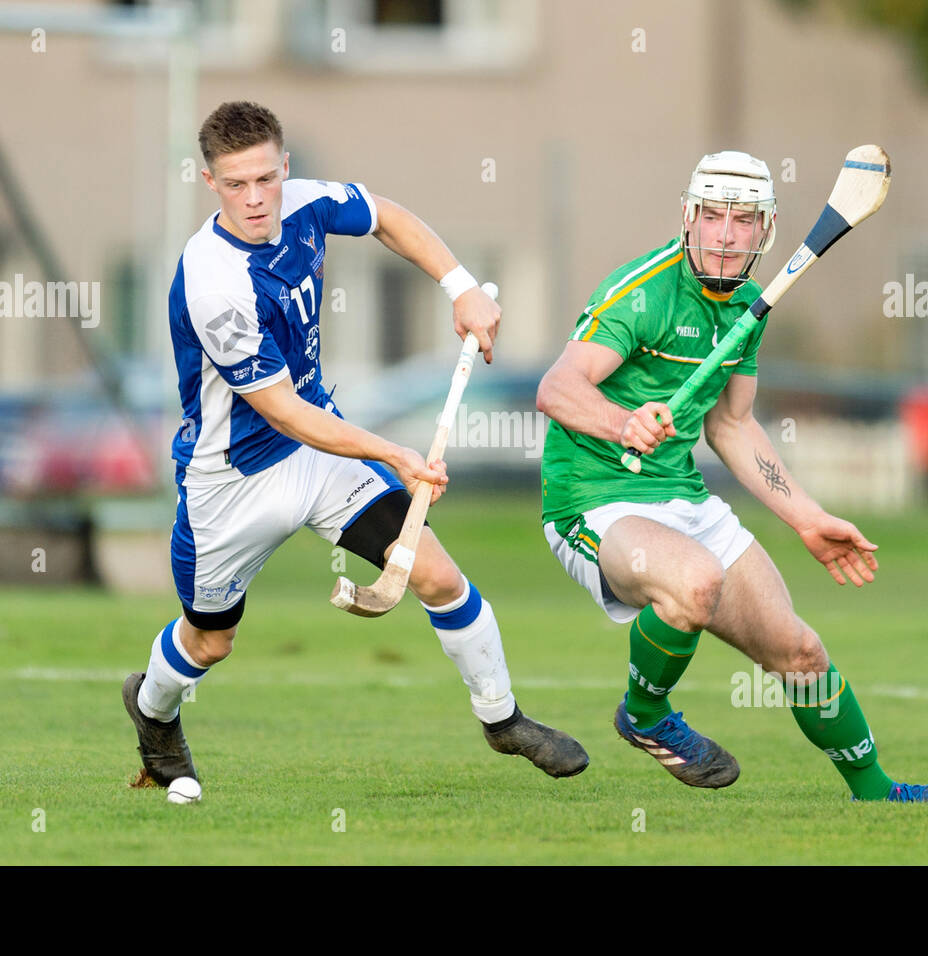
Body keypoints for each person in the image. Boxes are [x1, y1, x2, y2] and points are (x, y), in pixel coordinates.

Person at [122, 101, 587, 789]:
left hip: (321, 456)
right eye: (235, 184)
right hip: (232, 480)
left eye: (265, 179)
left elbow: (387, 216)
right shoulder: (214, 283)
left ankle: (503, 719)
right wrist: (395, 453)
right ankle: (152, 709)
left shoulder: (305, 205)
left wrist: (459, 286)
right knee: (210, 640)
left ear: (284, 166)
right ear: (208, 181)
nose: (255, 199)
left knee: (435, 573)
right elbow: (281, 412)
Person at [534, 150, 928, 802]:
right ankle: (646, 714)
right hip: (594, 498)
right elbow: (557, 389)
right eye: (713, 215)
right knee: (695, 583)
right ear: (688, 218)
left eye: (742, 220)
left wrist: (807, 516)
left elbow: (732, 427)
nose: (724, 233)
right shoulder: (644, 292)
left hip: (679, 496)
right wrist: (621, 424)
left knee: (800, 652)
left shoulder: (751, 305)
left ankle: (878, 793)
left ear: (764, 231)